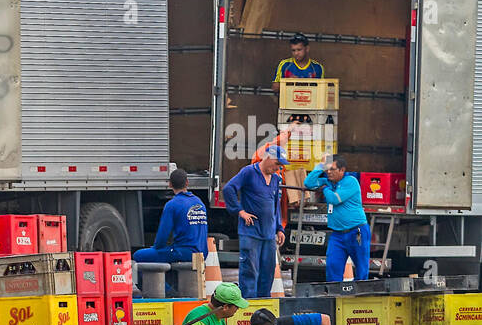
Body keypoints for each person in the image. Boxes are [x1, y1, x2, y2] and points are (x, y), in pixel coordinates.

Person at [221, 126, 301, 298]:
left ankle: (263, 302)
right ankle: (247, 302)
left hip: (268, 234)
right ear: (269, 157)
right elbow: (229, 189)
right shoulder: (249, 172)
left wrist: (279, 228)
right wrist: (240, 211)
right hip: (250, 232)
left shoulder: (275, 178)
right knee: (250, 270)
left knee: (267, 272)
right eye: (277, 163)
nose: (279, 168)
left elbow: (275, 204)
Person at [303, 154, 370, 282]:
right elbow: (308, 183)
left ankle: (361, 297)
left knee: (362, 269)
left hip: (356, 232)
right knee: (333, 266)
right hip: (337, 234)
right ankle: (334, 297)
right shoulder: (328, 181)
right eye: (327, 169)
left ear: (342, 170)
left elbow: (334, 199)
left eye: (332, 169)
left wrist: (325, 189)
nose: (328, 172)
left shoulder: (351, 181)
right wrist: (322, 165)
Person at [133, 167, 208, 265]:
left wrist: (156, 248)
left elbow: (162, 238)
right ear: (187, 182)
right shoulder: (199, 202)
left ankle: (161, 281)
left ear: (170, 184)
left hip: (184, 253)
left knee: (138, 255)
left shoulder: (172, 205)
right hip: (203, 253)